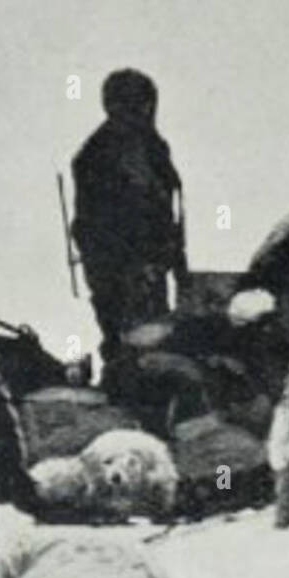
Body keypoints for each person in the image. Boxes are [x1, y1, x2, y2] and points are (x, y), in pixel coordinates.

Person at [71, 69, 187, 361]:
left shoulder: (139, 145)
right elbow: (147, 205)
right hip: (130, 266)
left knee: (136, 343)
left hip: (128, 265)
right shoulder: (122, 148)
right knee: (140, 346)